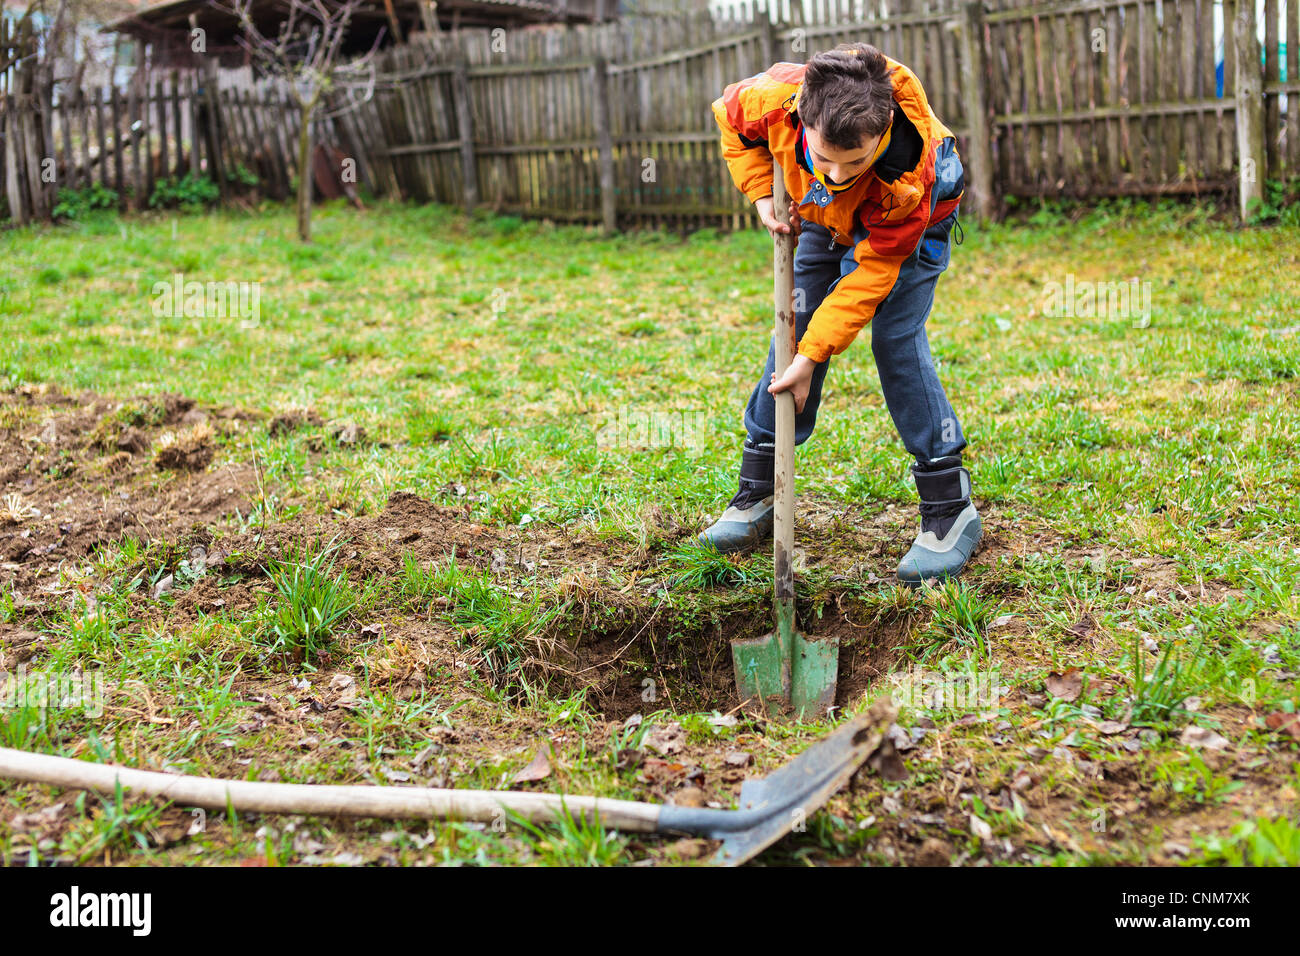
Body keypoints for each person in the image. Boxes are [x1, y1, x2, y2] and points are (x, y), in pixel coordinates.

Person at [699, 43, 980, 585]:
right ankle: (760, 488)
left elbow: (868, 278)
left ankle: (949, 505)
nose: (836, 173)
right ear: (802, 118)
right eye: (823, 157)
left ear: (883, 132)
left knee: (894, 340)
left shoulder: (905, 173)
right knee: (793, 329)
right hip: (824, 222)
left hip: (902, 228)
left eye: (855, 161)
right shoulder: (772, 100)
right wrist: (762, 193)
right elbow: (729, 121)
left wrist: (813, 356)